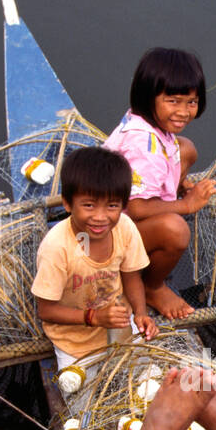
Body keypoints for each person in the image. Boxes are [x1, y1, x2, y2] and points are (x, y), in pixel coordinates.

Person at [102, 48, 216, 322]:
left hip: (125, 203)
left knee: (186, 149)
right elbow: (137, 208)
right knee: (175, 230)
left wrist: (173, 186)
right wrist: (186, 205)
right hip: (108, 231)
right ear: (148, 96)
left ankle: (164, 193)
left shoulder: (144, 121)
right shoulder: (145, 147)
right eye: (173, 101)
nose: (184, 112)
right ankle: (151, 286)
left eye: (191, 102)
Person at [31, 145, 158, 377]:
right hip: (74, 342)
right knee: (82, 404)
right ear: (68, 204)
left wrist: (140, 313)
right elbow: (46, 311)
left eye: (112, 205)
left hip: (119, 325)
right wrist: (94, 317)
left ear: (123, 205)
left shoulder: (125, 227)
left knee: (148, 384)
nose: (100, 217)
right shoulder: (56, 247)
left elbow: (131, 278)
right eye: (88, 205)